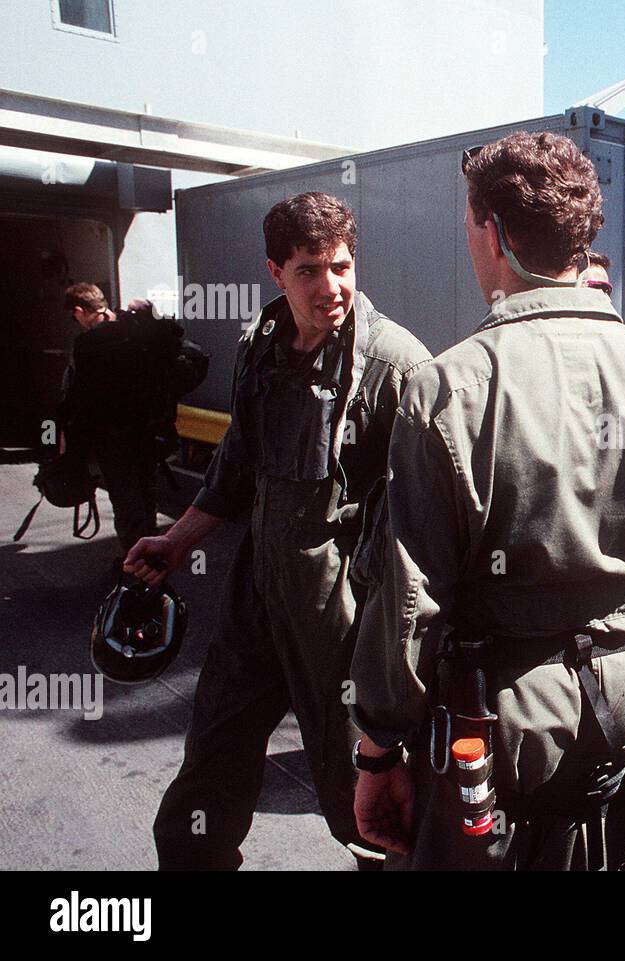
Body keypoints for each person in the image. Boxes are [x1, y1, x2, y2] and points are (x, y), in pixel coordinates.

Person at [348, 131, 625, 870]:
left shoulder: (448, 386)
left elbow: (410, 601)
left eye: (467, 226)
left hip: (503, 718)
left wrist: (376, 746)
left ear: (492, 231)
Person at [124, 192, 432, 870]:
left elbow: (424, 521)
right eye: (310, 271)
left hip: (340, 622)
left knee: (361, 796)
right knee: (211, 758)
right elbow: (238, 464)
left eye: (342, 266)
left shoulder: (396, 366)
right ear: (276, 271)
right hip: (255, 600)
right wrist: (178, 539)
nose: (331, 288)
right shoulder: (259, 348)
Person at [59, 283, 180, 555]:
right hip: (149, 429)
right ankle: (150, 549)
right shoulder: (136, 330)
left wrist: (72, 448)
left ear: (79, 311)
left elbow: (78, 401)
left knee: (126, 499)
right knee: (147, 494)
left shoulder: (88, 345)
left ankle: (136, 561)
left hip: (113, 436)